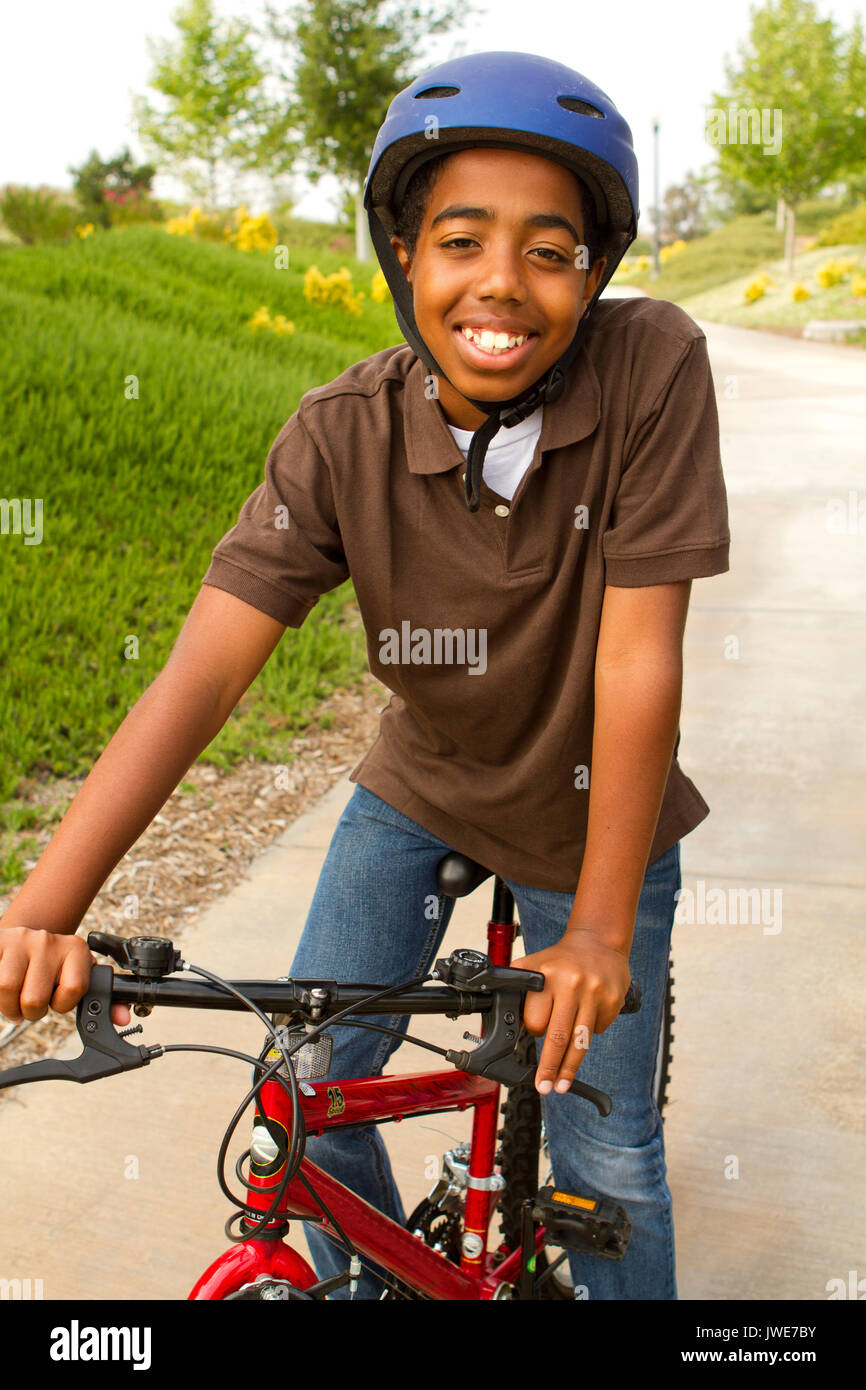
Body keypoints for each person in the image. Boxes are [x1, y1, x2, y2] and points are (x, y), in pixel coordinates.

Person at [0, 51, 729, 1300]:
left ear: (593, 276)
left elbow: (634, 655)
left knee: (606, 1161)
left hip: (590, 811)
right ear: (402, 257)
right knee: (305, 1087)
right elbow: (202, 677)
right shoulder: (338, 435)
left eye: (548, 251)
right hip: (422, 784)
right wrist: (39, 909)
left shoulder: (650, 365)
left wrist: (601, 924)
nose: (500, 283)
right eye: (459, 240)